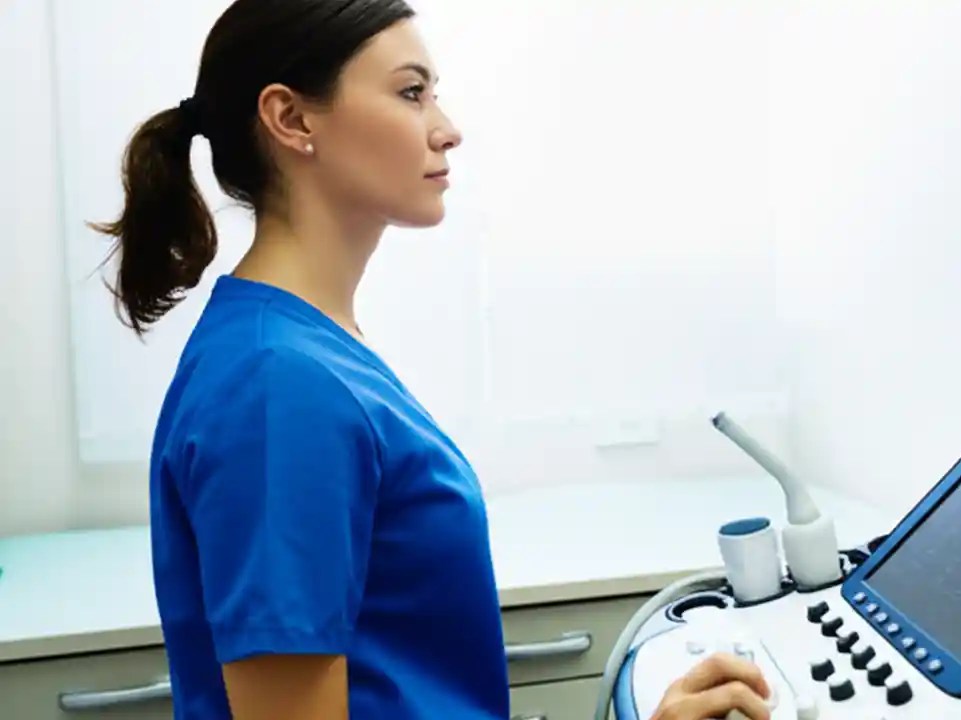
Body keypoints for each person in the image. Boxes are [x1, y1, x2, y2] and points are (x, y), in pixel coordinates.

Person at [91, 1, 773, 719]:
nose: (447, 128)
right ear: (292, 119)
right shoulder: (279, 386)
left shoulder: (308, 350)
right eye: (411, 92)